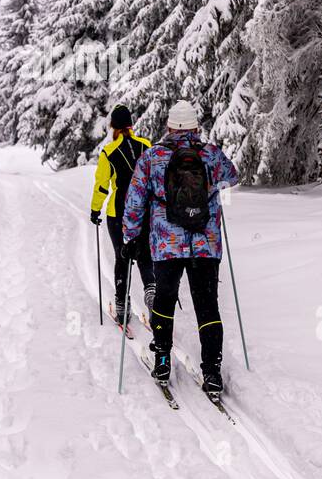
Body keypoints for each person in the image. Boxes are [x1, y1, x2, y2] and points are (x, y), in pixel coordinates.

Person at [122, 99, 238, 396]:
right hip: (205, 244)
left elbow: (134, 201)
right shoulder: (211, 155)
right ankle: (211, 372)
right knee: (207, 305)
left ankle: (162, 361)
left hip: (166, 244)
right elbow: (232, 176)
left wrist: (130, 236)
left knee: (164, 299)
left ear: (170, 126)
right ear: (196, 127)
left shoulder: (152, 157)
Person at [89, 104, 156, 323]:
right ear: (130, 125)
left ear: (113, 127)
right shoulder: (146, 146)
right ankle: (151, 292)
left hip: (118, 214)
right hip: (143, 213)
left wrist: (95, 210)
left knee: (122, 257)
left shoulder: (108, 152)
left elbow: (102, 186)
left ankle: (121, 305)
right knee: (145, 255)